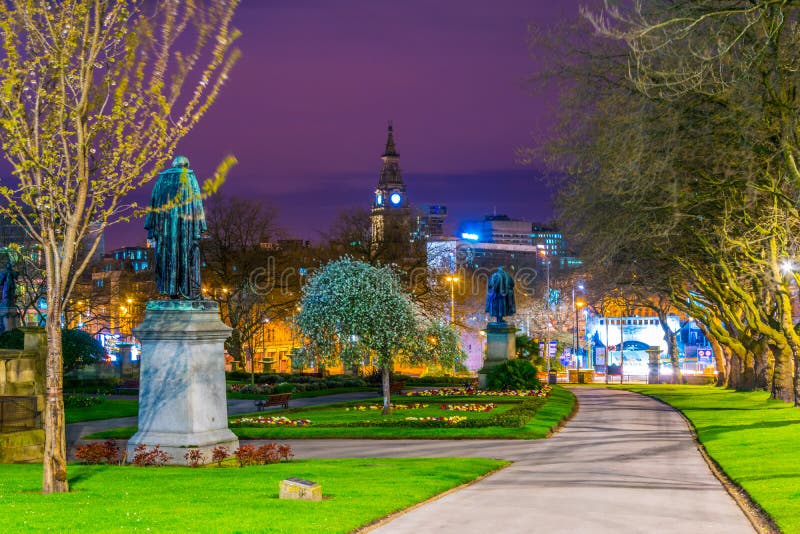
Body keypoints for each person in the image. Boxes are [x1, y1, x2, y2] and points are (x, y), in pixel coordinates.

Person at [144, 156, 206, 299]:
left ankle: (171, 291)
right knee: (186, 254)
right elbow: (197, 203)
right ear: (186, 165)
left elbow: (152, 203)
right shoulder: (189, 177)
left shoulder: (161, 179)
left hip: (165, 228)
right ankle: (189, 290)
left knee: (167, 255)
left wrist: (152, 225)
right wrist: (200, 225)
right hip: (186, 226)